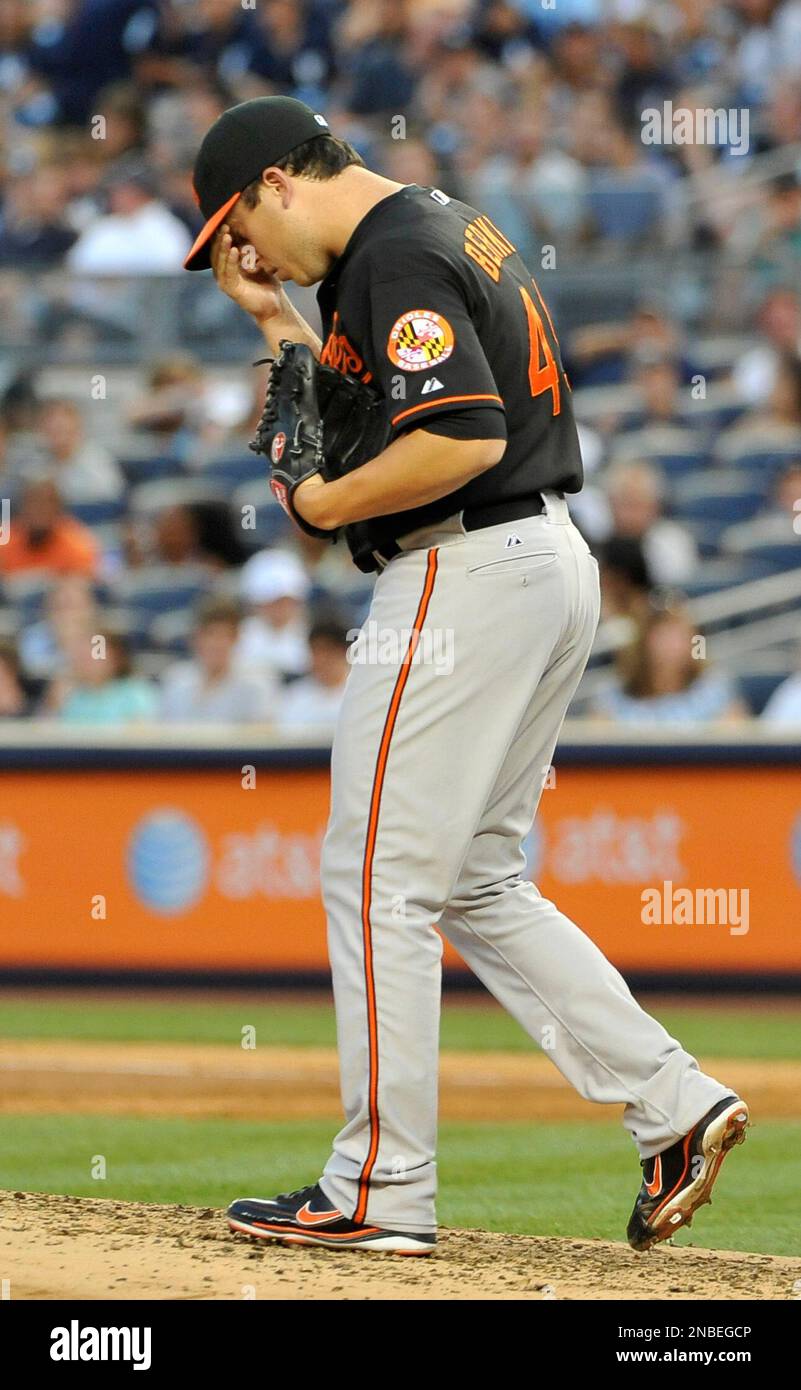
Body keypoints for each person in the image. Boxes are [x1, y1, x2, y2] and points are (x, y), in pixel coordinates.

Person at [186, 94, 748, 1256]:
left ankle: (380, 1188)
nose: (239, 250)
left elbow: (461, 436)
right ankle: (676, 1102)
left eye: (239, 224)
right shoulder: (416, 234)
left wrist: (325, 507)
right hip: (536, 561)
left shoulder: (392, 250)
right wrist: (279, 321)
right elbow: (355, 425)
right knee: (477, 878)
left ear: (280, 181)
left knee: (377, 871)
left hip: (466, 563)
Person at [594, 605, 746, 725]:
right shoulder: (612, 696)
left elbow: (734, 742)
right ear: (642, 643)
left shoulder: (715, 689)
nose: (672, 644)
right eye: (661, 634)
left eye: (678, 634)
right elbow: (596, 747)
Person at [160, 598, 275, 723]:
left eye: (224, 636)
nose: (216, 644)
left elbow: (261, 736)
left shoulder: (256, 683)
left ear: (236, 639)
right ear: (195, 638)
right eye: (209, 634)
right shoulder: (176, 679)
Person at [51, 630, 158, 726]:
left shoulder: (135, 693)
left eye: (93, 656)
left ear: (115, 658)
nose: (85, 661)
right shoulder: (70, 694)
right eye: (81, 656)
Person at [235, 548, 311, 682]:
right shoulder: (239, 636)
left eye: (286, 601)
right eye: (271, 601)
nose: (280, 608)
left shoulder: (311, 636)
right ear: (256, 603)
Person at [0, 477, 99, 577]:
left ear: (58, 508)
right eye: (32, 502)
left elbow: (82, 582)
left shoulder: (78, 543)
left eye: (46, 503)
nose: (38, 510)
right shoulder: (5, 541)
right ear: (21, 507)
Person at [278, 616, 350, 730]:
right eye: (316, 651)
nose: (321, 659)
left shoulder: (360, 693)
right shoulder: (294, 696)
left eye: (328, 651)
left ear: (344, 652)